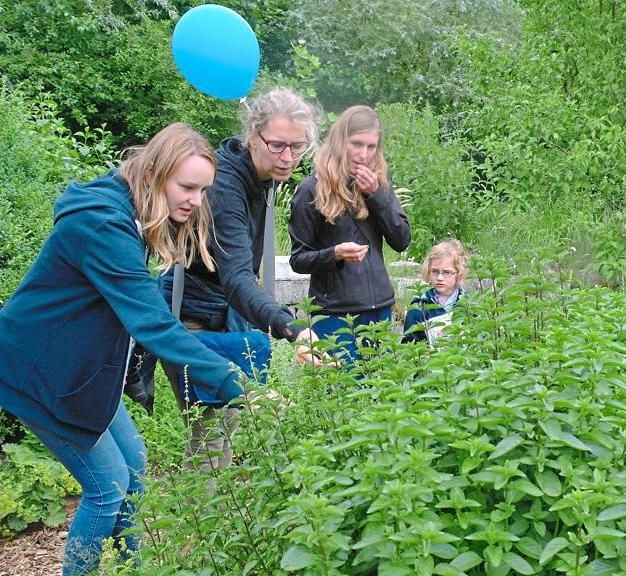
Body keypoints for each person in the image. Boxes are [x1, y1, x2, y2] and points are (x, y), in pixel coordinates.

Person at [0, 123, 246, 576]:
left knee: (133, 465)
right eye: (186, 186)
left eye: (203, 189)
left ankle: (136, 567)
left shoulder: (125, 209)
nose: (195, 201)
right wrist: (239, 384)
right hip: (41, 372)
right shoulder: (103, 225)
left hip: (82, 368)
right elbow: (151, 322)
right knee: (107, 489)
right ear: (154, 172)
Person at [159, 87, 322, 471]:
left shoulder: (263, 177)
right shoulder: (224, 187)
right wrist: (291, 326)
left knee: (226, 425)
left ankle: (215, 522)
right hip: (193, 311)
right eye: (278, 145)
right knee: (211, 435)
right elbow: (235, 275)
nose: (288, 158)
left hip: (227, 312)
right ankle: (200, 526)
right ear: (252, 136)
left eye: (298, 147)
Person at [289, 105, 411, 364]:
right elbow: (298, 260)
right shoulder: (310, 189)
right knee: (341, 391)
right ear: (340, 140)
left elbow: (402, 240)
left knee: (381, 392)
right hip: (334, 314)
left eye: (371, 147)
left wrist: (376, 196)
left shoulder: (379, 185)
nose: (364, 154)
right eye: (357, 144)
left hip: (379, 308)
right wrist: (334, 254)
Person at [403, 239, 468, 345]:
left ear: (458, 273)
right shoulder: (419, 306)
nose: (440, 277)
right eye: (435, 271)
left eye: (447, 272)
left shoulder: (469, 304)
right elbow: (408, 345)